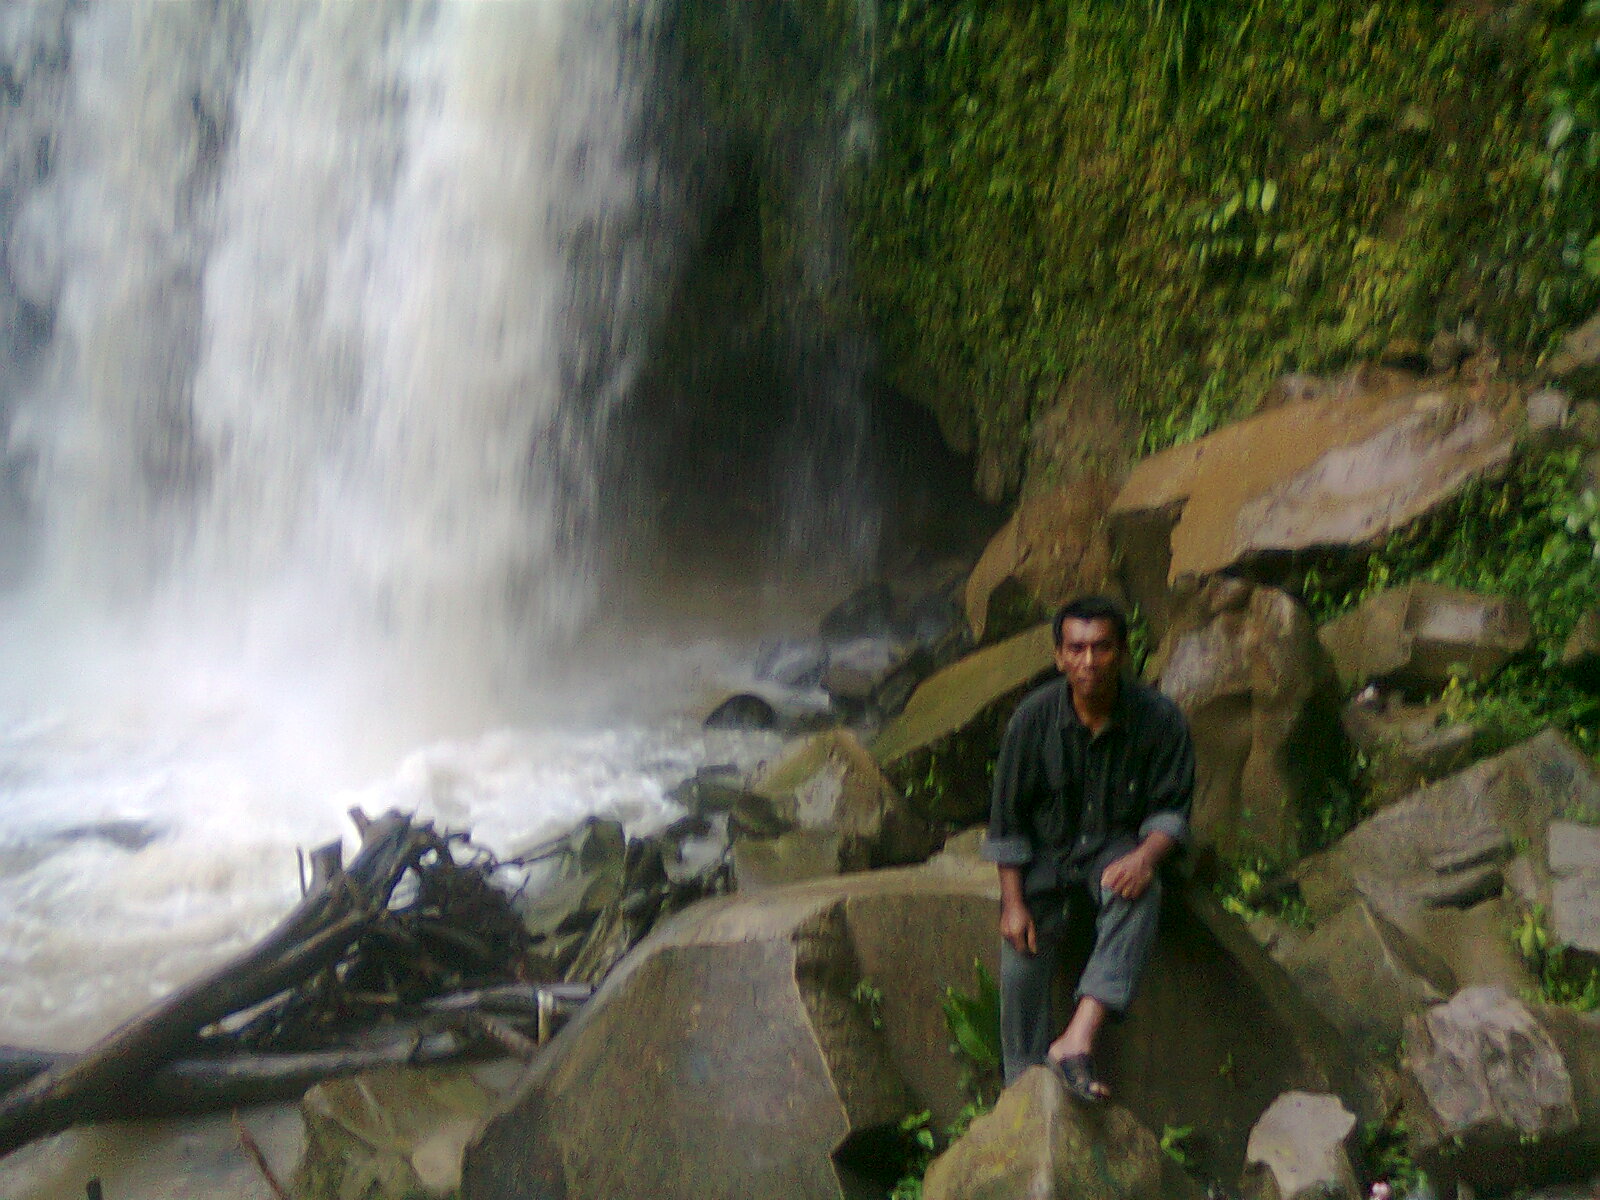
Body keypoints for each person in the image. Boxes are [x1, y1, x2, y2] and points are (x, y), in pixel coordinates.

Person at [981, 595, 1195, 1101]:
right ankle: (1023, 1093)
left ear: (1122, 652)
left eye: (1101, 647)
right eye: (1076, 648)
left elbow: (1173, 810)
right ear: (1059, 656)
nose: (1089, 661)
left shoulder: (1160, 720)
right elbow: (1007, 821)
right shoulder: (1031, 721)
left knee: (1141, 893)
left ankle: (1076, 1040)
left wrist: (1145, 858)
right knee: (1020, 955)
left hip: (1111, 853)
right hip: (1046, 863)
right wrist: (1012, 904)